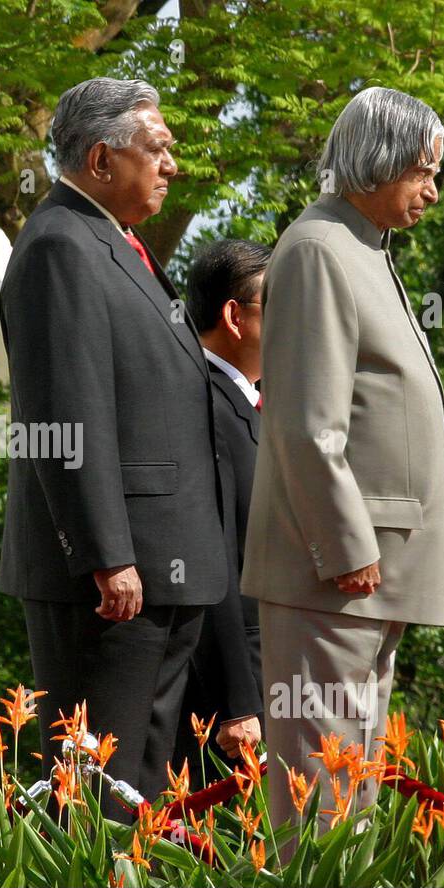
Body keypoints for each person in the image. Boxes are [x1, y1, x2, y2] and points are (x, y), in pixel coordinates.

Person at [0, 77, 227, 820]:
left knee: (140, 794)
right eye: (157, 148)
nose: (172, 165)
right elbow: (65, 413)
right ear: (101, 158)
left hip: (160, 566)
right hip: (111, 580)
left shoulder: (111, 240)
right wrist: (105, 553)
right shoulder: (61, 244)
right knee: (96, 795)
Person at [240, 87, 444, 847]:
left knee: (352, 778)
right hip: (336, 571)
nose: (433, 188)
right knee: (320, 793)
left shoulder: (358, 245)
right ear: (377, 160)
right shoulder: (320, 247)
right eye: (423, 169)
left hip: (367, 573)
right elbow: (306, 421)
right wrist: (345, 545)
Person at [173, 241, 271, 784]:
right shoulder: (204, 404)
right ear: (234, 316)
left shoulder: (253, 402)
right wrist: (236, 701)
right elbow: (209, 557)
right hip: (232, 696)